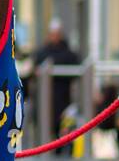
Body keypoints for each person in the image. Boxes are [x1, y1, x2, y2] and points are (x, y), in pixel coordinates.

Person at [28, 17, 81, 153]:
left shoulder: (68, 53)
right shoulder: (42, 52)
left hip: (62, 101)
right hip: (45, 102)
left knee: (63, 135)